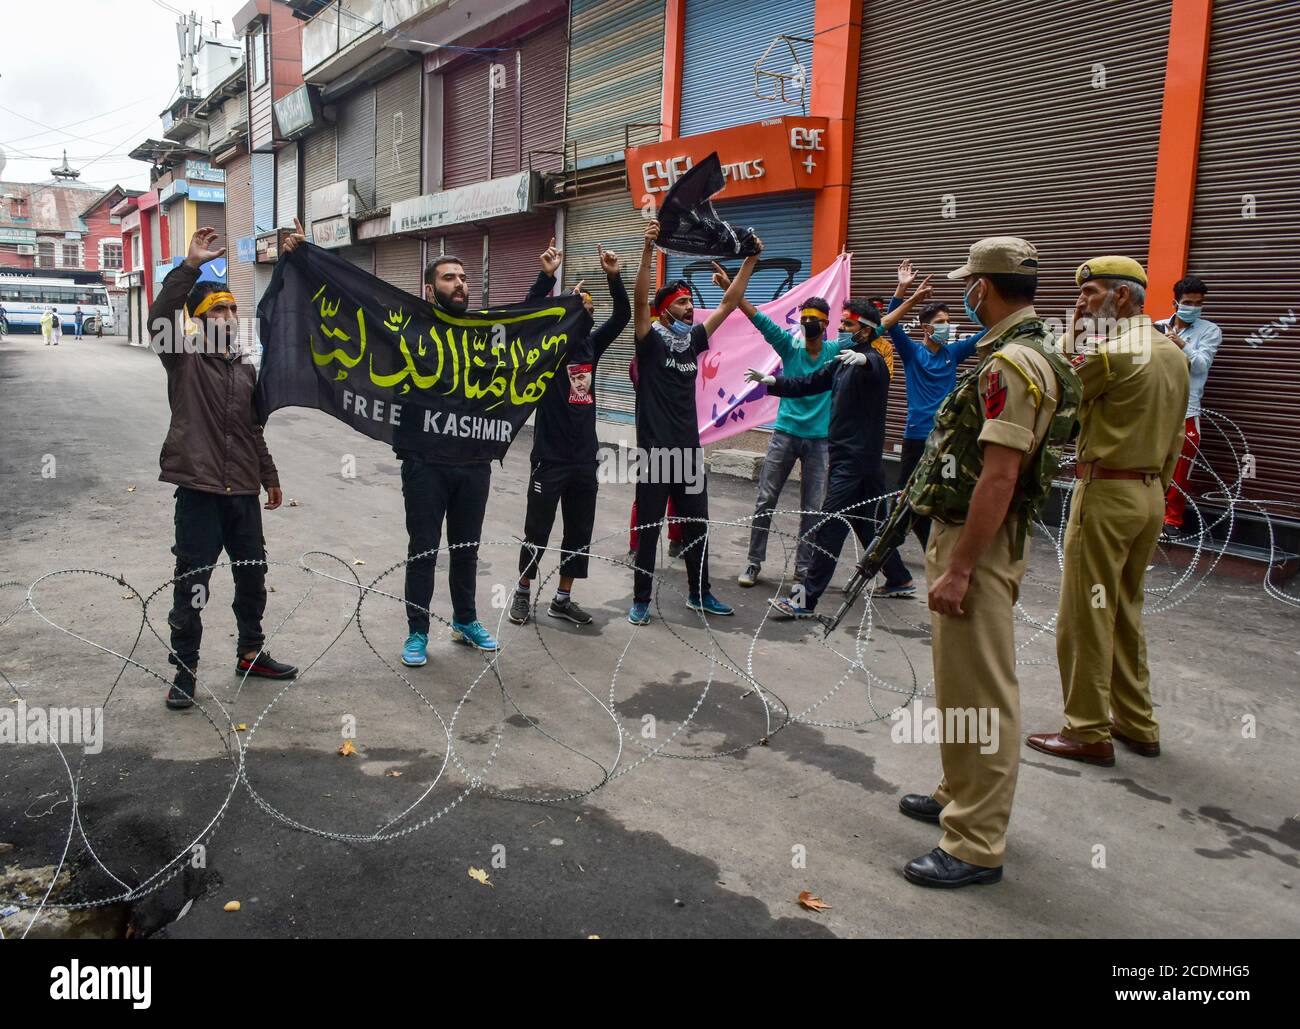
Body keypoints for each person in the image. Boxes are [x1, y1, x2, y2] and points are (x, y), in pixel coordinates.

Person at [895, 237, 1080, 888]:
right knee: (959, 685)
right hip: (978, 535)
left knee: (983, 693)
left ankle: (975, 842)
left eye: (969, 284)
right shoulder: (1022, 352)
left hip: (981, 540)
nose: (965, 295)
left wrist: (961, 566)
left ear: (984, 288)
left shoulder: (1012, 364)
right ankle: (958, 791)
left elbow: (999, 477)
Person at [1027, 257, 1189, 766]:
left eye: (1089, 294)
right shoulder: (1172, 353)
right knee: (1123, 610)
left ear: (1121, 298)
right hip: (1147, 496)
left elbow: (1055, 394)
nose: (1079, 303)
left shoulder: (1114, 353)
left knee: (1085, 613)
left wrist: (1075, 332)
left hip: (1105, 493)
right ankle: (1137, 722)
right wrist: (1155, 490)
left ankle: (1086, 729)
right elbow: (1178, 436)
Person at [151, 227, 298, 710]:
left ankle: (250, 653)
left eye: (234, 309)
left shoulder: (243, 367)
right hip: (199, 492)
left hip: (242, 494)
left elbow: (252, 429)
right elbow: (159, 319)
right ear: (197, 319)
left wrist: (270, 476)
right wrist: (190, 266)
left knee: (252, 576)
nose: (229, 316)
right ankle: (185, 671)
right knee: (193, 584)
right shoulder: (183, 359)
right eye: (218, 309)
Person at [748, 287, 931, 619]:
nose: (841, 329)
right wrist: (771, 382)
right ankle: (900, 578)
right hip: (860, 460)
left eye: (847, 325)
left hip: (854, 460)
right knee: (867, 523)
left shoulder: (870, 360)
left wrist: (866, 359)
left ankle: (804, 600)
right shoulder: (841, 361)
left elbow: (876, 370)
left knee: (828, 525)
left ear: (864, 329)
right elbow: (809, 382)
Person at [627, 217, 757, 626]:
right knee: (649, 531)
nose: (690, 308)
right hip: (655, 454)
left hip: (688, 450)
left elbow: (727, 304)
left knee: (696, 527)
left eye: (689, 302)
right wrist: (649, 248)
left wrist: (751, 259)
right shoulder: (649, 341)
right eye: (682, 303)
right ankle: (641, 600)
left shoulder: (693, 342)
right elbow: (640, 298)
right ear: (665, 311)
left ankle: (700, 595)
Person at [510, 242, 631, 626]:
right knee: (538, 530)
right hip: (550, 457)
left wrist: (613, 277)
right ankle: (523, 592)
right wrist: (546, 277)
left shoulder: (591, 347)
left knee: (579, 531)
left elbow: (624, 316)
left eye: (590, 309)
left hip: (584, 458)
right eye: (580, 307)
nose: (587, 313)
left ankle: (563, 598)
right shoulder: (547, 349)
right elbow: (528, 314)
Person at [708, 264, 842, 591]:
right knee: (765, 499)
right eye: (804, 319)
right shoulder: (788, 346)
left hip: (819, 441)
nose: (808, 324)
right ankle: (753, 562)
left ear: (826, 324)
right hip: (784, 434)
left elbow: (876, 330)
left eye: (814, 320)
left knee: (813, 508)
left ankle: (804, 567)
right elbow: (757, 317)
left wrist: (898, 296)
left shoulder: (836, 352)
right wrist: (733, 287)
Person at [884, 260, 985, 546]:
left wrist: (978, 297)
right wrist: (902, 289)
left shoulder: (953, 354)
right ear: (926, 328)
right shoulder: (914, 353)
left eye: (948, 322)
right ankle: (890, 540)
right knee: (905, 490)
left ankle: (931, 543)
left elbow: (986, 333)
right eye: (940, 322)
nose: (946, 327)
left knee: (940, 491)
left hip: (946, 437)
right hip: (917, 435)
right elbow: (891, 324)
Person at [1154, 275, 1221, 535]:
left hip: (1188, 410)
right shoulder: (1157, 327)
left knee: (1180, 470)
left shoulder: (1210, 331)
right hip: (1158, 408)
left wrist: (1182, 346)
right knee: (1152, 465)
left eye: (1198, 303)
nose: (1193, 307)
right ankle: (1149, 516)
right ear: (1175, 302)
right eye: (1187, 302)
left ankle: (1172, 520)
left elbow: (1202, 365)